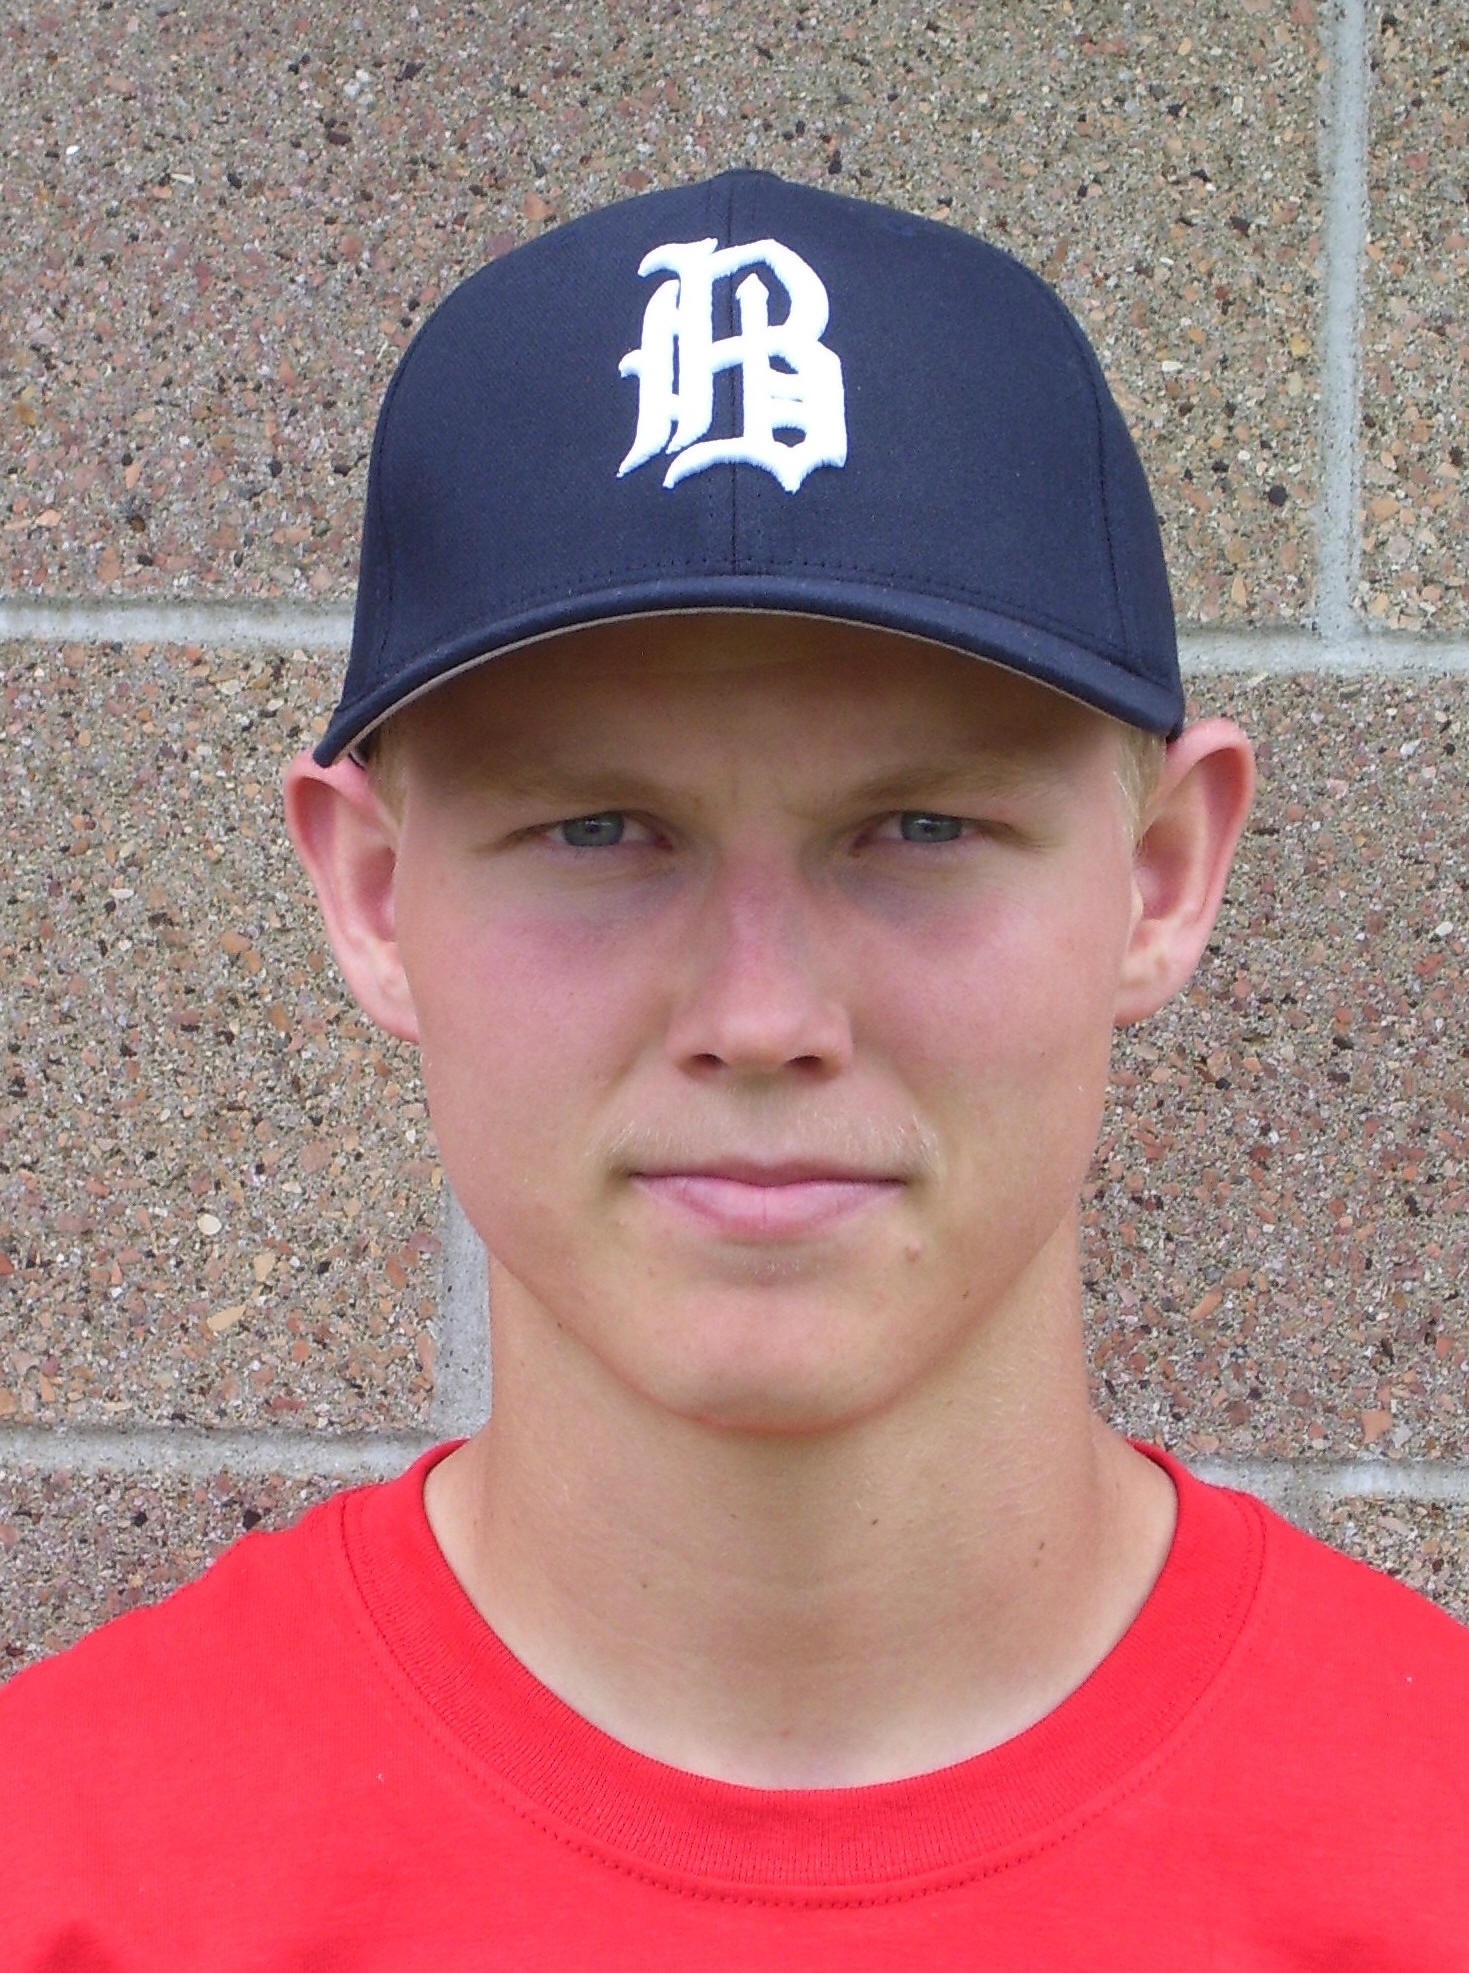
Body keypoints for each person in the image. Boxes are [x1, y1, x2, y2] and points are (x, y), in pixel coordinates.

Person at [4, 168, 1467, 1968]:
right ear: (374, 894)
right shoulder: (69, 1876)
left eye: (918, 824)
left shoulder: (1432, 1845)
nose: (761, 1012)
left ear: (1160, 877)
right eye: (599, 829)